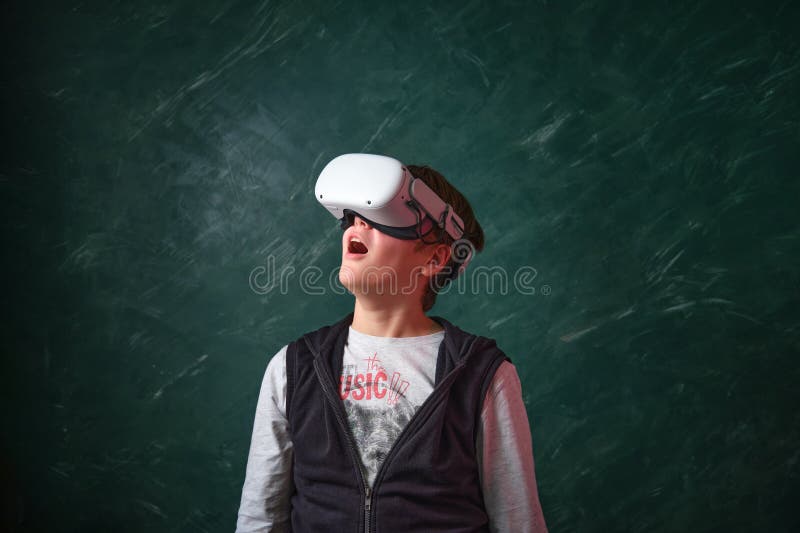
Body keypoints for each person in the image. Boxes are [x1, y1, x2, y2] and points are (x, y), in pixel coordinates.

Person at [236, 155, 548, 532]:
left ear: (435, 257)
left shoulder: (483, 375)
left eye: (384, 215)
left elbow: (519, 524)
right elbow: (260, 521)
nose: (358, 221)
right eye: (351, 216)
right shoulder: (292, 368)